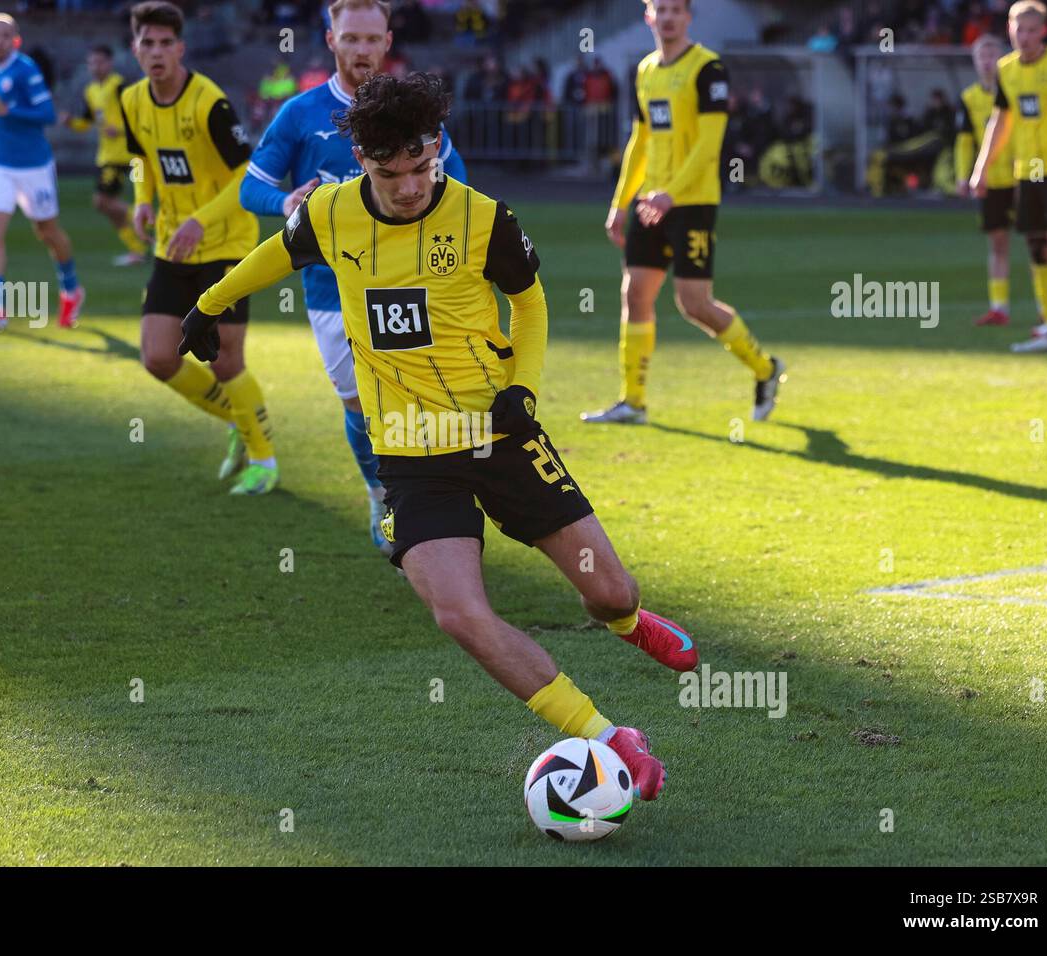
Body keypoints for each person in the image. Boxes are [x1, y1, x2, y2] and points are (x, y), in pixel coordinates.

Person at [180, 72, 700, 803]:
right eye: (390, 174)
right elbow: (276, 251)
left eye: (422, 168)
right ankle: (607, 736)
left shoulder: (482, 217)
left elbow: (530, 303)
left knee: (609, 590)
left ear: (438, 149)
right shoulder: (328, 215)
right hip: (410, 454)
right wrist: (207, 305)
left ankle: (627, 622)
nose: (409, 187)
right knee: (457, 612)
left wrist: (524, 386)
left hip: (497, 431)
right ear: (361, 160)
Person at [240, 0, 466, 548]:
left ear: (388, 41)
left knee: (421, 394)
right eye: (351, 39)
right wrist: (285, 200)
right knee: (358, 403)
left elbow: (459, 186)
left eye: (371, 39)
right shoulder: (299, 113)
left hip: (407, 283)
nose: (361, 49)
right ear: (331, 40)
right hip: (328, 288)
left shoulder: (412, 110)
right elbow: (251, 189)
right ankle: (379, 493)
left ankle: (432, 503)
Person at [584, 0, 784, 426]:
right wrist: (621, 203)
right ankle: (633, 402)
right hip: (649, 203)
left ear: (689, 17)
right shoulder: (644, 71)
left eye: (677, 9)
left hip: (691, 203)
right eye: (662, 9)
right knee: (635, 294)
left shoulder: (707, 69)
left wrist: (670, 195)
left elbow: (709, 145)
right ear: (648, 16)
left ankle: (766, 369)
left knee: (694, 304)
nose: (670, 17)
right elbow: (640, 140)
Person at [120, 1, 276, 494]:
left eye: (167, 42)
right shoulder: (131, 101)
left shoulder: (209, 103)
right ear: (136, 49)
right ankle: (242, 419)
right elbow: (139, 159)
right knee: (158, 358)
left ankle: (264, 461)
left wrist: (199, 219)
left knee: (225, 361)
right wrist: (143, 200)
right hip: (174, 246)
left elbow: (246, 177)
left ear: (181, 48)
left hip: (226, 244)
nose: (158, 51)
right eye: (149, 43)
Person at [969, 0, 1047, 355]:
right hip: (1029, 168)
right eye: (1019, 30)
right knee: (1037, 247)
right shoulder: (1006, 70)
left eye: (1032, 30)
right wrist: (981, 168)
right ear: (1010, 30)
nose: (1025, 37)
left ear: (1044, 32)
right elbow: (1001, 121)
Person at [0, 13, 84, 329]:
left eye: (5, 35)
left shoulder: (26, 69)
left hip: (33, 166)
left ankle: (71, 289)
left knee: (47, 232)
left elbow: (47, 113)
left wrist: (8, 111)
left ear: (16, 39)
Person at [955, 33, 1047, 328]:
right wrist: (964, 175)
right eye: (982, 57)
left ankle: (1046, 309)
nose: (987, 62)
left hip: (1023, 177)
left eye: (992, 56)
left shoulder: (1019, 90)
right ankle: (999, 308)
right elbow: (964, 141)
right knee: (998, 243)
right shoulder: (969, 98)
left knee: (1037, 242)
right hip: (992, 181)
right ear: (974, 62)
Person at [60, 44, 148, 266]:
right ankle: (137, 248)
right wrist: (72, 123)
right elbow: (87, 123)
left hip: (127, 154)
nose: (95, 67)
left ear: (109, 63)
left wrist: (118, 130)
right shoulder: (91, 91)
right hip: (108, 155)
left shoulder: (120, 87)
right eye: (91, 62)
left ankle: (148, 224)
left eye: (99, 62)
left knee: (102, 201)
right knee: (105, 205)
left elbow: (139, 117)